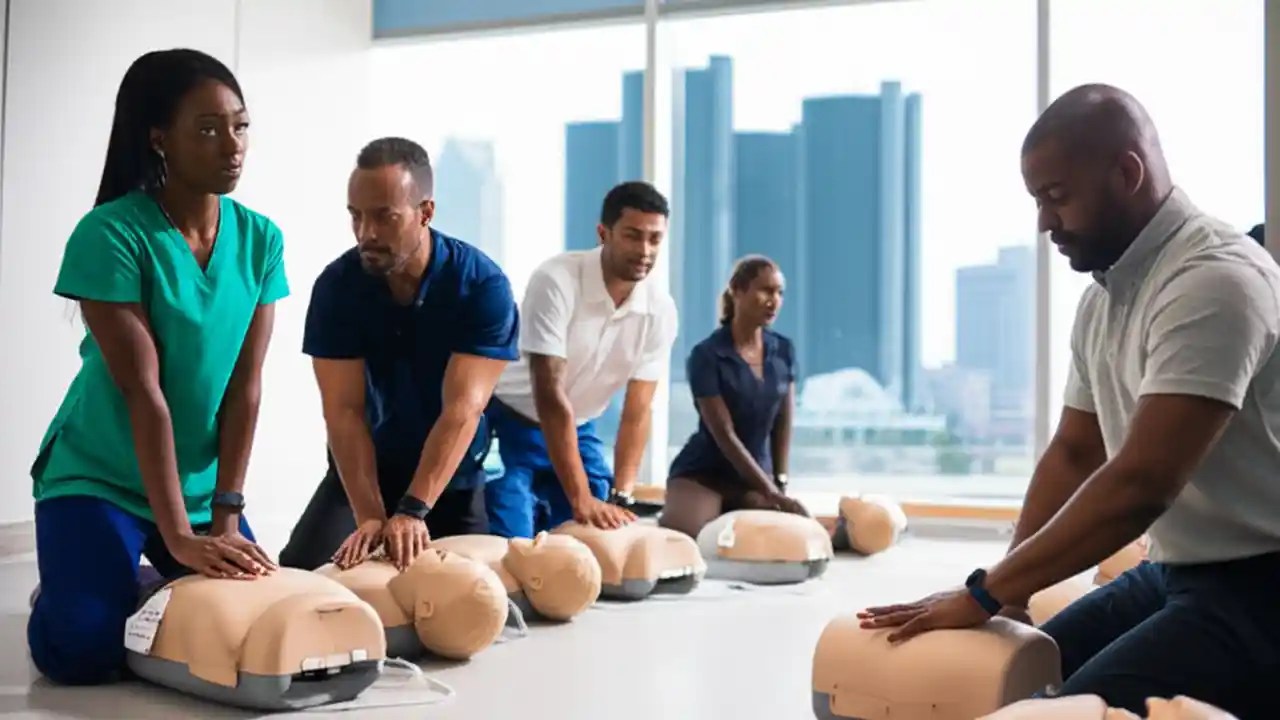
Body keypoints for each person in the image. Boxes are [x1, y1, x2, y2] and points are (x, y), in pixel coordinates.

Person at [857, 84, 1280, 718]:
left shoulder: (1215, 281)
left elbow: (1141, 482)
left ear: (1128, 173)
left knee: (1061, 710)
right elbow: (1076, 451)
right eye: (1037, 200)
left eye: (1056, 197)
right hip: (1172, 571)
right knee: (1010, 678)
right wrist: (1008, 597)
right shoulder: (1104, 298)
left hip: (1260, 587)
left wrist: (982, 594)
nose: (1043, 222)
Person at [27, 49, 285, 686]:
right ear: (159, 139)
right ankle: (77, 592)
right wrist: (177, 539)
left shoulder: (261, 239)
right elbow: (144, 393)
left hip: (198, 489)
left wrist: (224, 515)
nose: (233, 145)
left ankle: (125, 583)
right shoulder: (110, 233)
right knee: (84, 653)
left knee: (251, 627)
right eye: (208, 129)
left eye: (240, 126)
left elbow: (245, 389)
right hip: (99, 476)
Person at [278, 137, 519, 571]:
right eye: (356, 216)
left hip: (451, 478)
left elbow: (462, 410)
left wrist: (412, 510)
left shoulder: (482, 285)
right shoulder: (337, 287)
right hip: (366, 471)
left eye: (384, 217)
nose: (366, 233)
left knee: (472, 592)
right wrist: (371, 517)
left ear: (425, 212)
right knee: (302, 572)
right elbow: (343, 411)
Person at [484, 181, 679, 539]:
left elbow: (637, 411)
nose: (645, 250)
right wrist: (581, 498)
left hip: (577, 427)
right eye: (633, 236)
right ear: (603, 233)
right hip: (508, 419)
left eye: (655, 239)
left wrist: (622, 495)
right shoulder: (556, 280)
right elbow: (549, 394)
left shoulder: (660, 311)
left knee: (592, 532)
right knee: (514, 537)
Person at [658, 255, 808, 538]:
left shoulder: (783, 350)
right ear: (737, 290)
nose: (774, 301)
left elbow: (783, 422)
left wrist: (779, 483)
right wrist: (771, 492)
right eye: (765, 290)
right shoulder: (706, 355)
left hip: (755, 477)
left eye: (779, 293)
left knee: (783, 536)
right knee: (692, 538)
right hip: (703, 474)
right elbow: (724, 434)